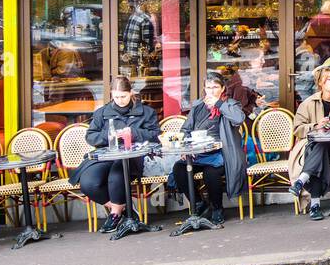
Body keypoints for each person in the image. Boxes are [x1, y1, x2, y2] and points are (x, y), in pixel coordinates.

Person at [76, 77, 160, 232]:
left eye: (123, 96)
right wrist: (109, 135)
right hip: (107, 155)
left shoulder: (146, 112)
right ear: (111, 95)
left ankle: (115, 214)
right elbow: (90, 136)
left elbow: (155, 134)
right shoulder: (102, 113)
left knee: (116, 174)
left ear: (131, 93)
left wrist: (133, 133)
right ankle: (125, 208)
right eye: (116, 97)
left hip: (133, 156)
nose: (120, 100)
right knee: (88, 183)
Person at [175, 71, 247, 224]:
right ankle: (199, 203)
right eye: (208, 87)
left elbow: (239, 118)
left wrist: (218, 104)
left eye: (215, 87)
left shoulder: (229, 104)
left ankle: (217, 208)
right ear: (204, 88)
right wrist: (186, 148)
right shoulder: (198, 106)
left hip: (222, 152)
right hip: (198, 153)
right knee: (179, 169)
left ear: (222, 88)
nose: (211, 91)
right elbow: (185, 129)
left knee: (211, 173)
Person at [288, 64, 330, 221]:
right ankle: (314, 205)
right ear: (320, 83)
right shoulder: (308, 103)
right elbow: (297, 129)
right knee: (320, 148)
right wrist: (316, 126)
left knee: (321, 148)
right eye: (329, 79)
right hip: (313, 146)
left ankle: (305, 188)